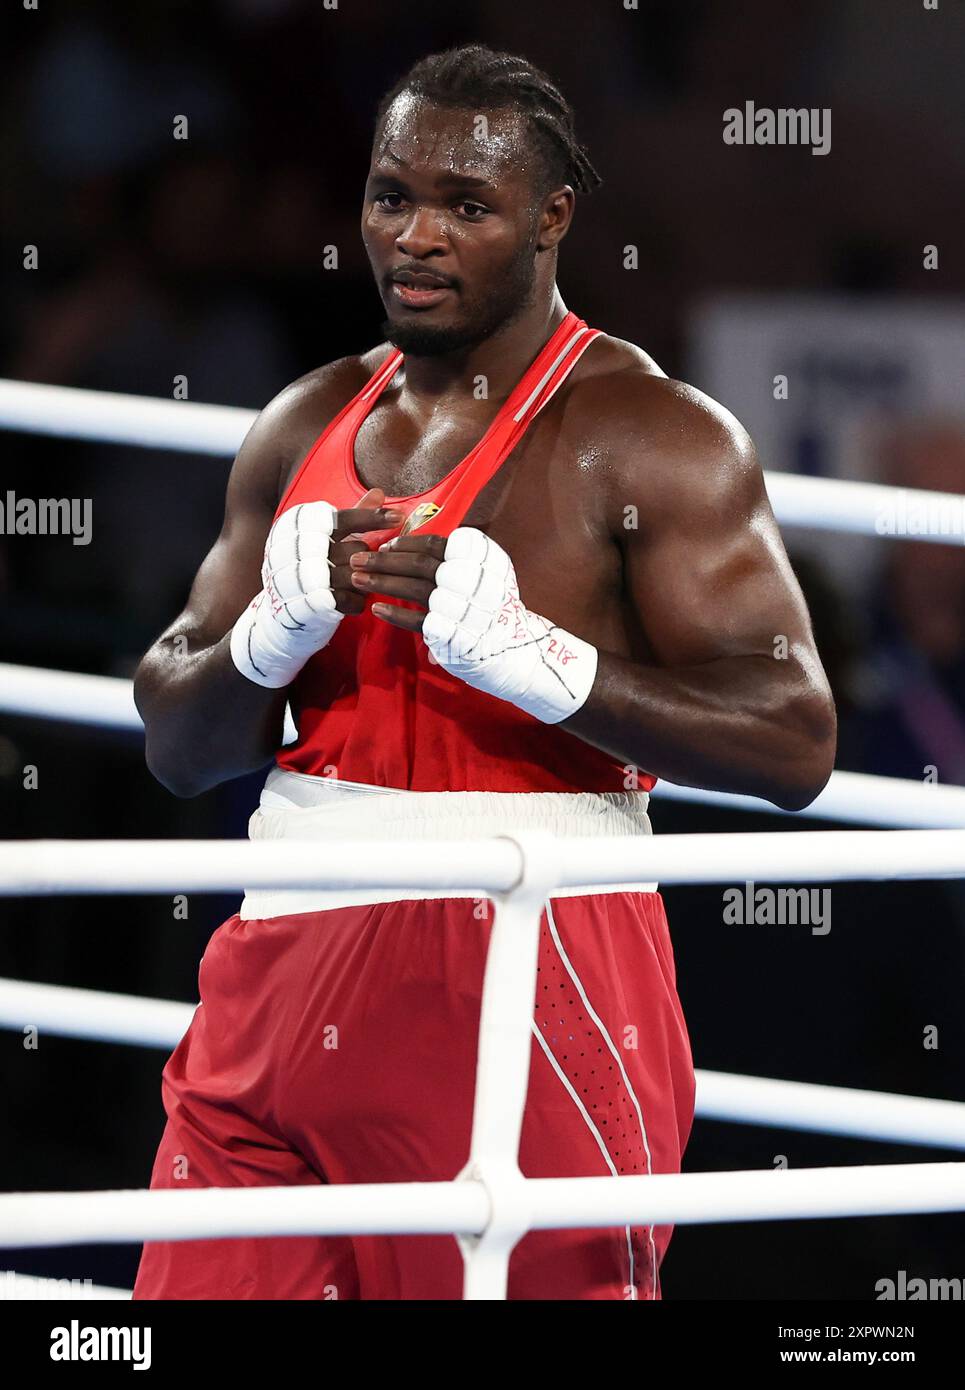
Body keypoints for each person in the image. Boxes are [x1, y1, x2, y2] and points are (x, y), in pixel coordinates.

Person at [131, 44, 836, 1300]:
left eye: (466, 204)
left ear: (551, 218)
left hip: (524, 961)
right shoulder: (305, 422)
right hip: (276, 970)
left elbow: (791, 740)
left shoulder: (649, 435)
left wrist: (547, 666)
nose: (415, 236)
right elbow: (177, 749)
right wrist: (266, 637)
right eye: (390, 195)